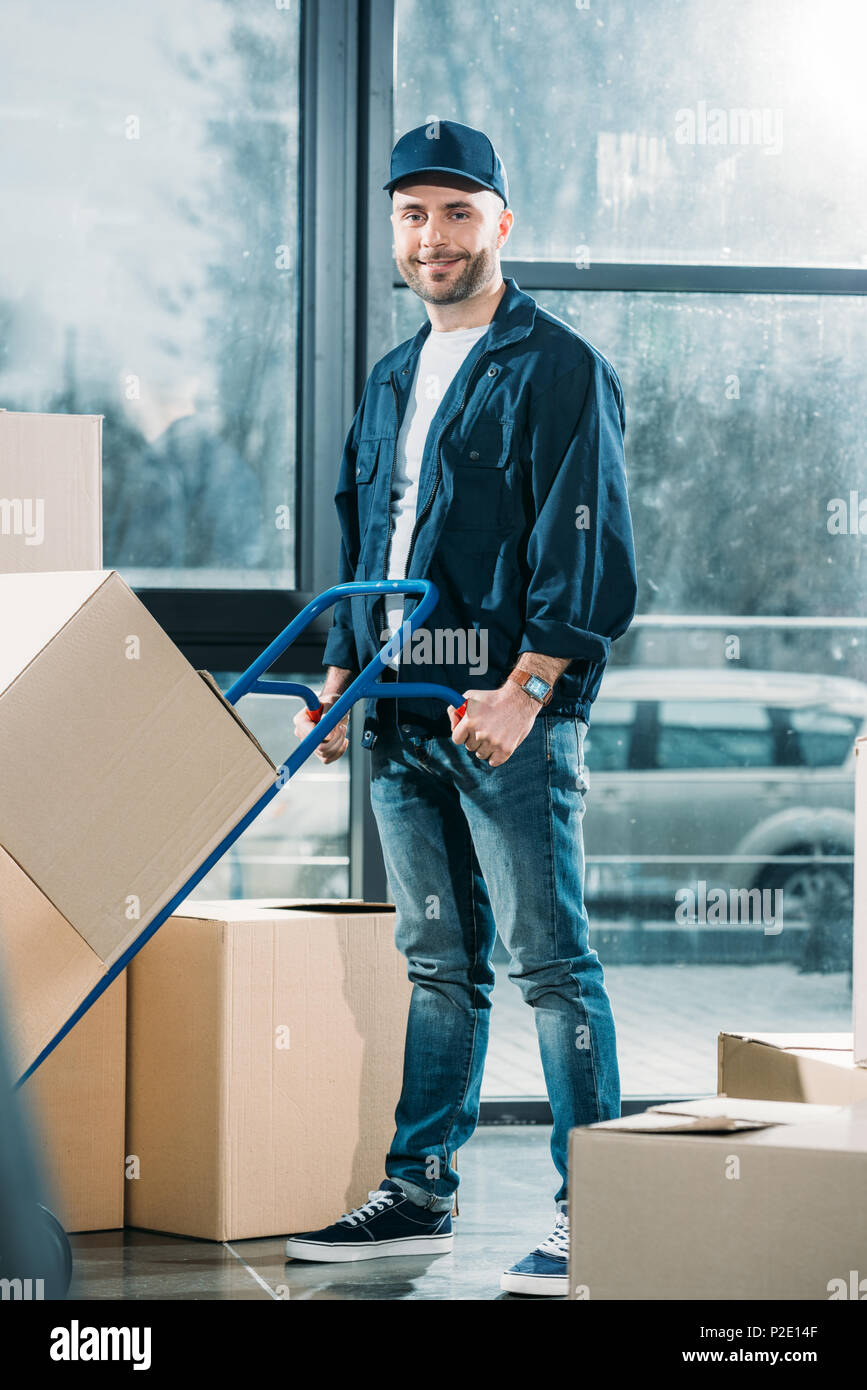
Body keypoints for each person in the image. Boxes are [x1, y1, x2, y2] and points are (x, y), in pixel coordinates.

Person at [285, 120, 637, 1296]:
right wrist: (341, 675)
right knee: (438, 960)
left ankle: (607, 1210)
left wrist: (532, 687)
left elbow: (588, 546)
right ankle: (418, 1191)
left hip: (505, 717)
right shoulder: (394, 378)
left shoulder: (560, 368)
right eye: (412, 214)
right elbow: (370, 530)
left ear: (501, 223)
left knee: (553, 962)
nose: (431, 237)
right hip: (399, 714)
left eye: (455, 212)